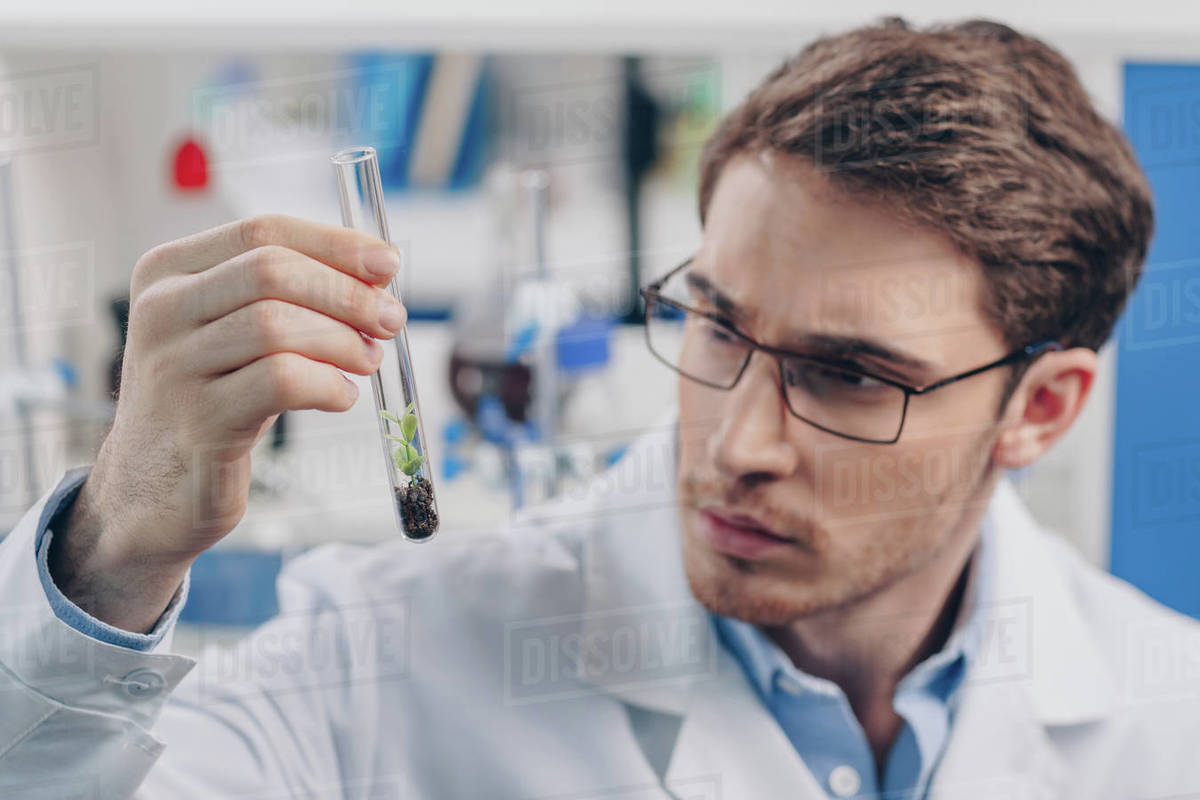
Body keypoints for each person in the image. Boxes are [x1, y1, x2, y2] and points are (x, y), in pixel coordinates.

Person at [1, 15, 1196, 800]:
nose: (738, 442)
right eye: (717, 323)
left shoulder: (1168, 713)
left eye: (849, 375)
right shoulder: (390, 656)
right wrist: (116, 549)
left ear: (1042, 408)